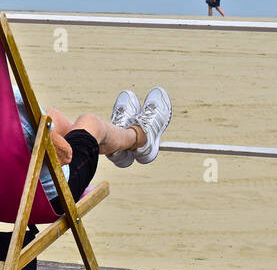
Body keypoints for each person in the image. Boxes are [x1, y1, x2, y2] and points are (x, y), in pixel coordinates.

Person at [15, 86, 171, 216]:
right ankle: (139, 138)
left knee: (52, 117)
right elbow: (64, 154)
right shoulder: (12, 97)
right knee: (90, 122)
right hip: (49, 198)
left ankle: (116, 142)